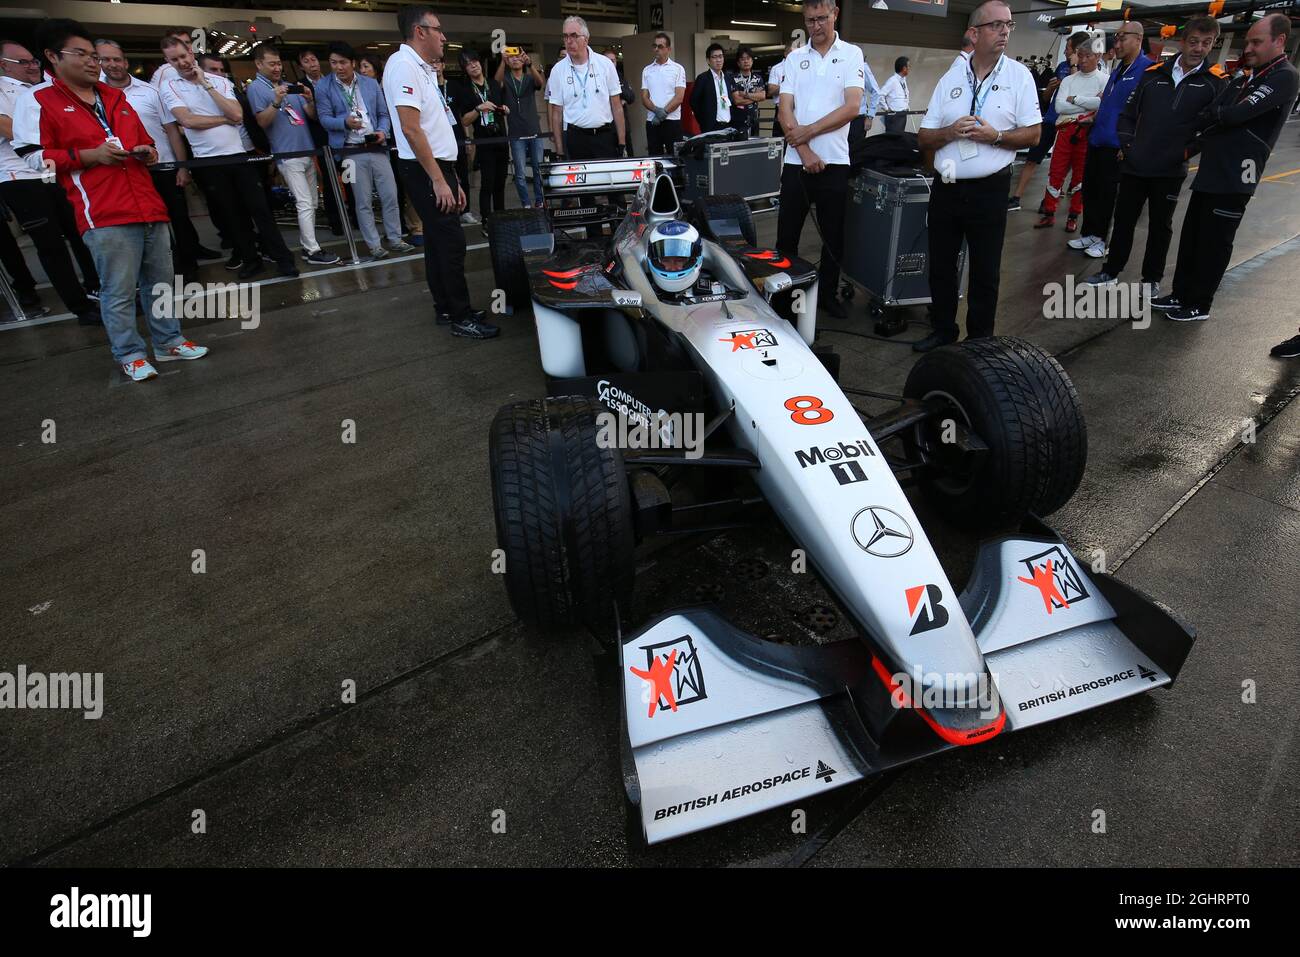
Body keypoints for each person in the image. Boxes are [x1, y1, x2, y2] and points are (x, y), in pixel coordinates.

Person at [14, 18, 208, 381]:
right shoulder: (38, 99)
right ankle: (130, 353)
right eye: (83, 54)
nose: (93, 62)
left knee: (161, 283)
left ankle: (168, 341)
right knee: (118, 290)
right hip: (103, 212)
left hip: (147, 202)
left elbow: (146, 141)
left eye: (95, 56)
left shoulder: (115, 97)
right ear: (53, 56)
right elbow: (34, 159)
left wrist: (146, 152)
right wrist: (89, 156)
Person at [915, 0, 1041, 352]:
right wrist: (951, 132)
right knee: (940, 263)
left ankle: (980, 341)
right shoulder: (951, 78)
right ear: (974, 33)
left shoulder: (1019, 76)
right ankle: (942, 329)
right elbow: (924, 137)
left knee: (986, 270)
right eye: (995, 25)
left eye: (1009, 25)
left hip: (990, 187)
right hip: (949, 183)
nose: (1004, 31)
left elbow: (1033, 134)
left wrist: (996, 137)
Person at [1157, 13, 1299, 324]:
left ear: (1280, 41)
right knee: (1193, 236)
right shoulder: (1248, 76)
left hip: (1237, 175)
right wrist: (1222, 113)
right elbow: (1211, 113)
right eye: (1248, 41)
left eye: (1256, 42)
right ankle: (1181, 293)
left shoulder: (1285, 76)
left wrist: (1222, 114)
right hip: (1212, 168)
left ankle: (1199, 302)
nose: (1249, 47)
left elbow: (1233, 115)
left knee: (1214, 242)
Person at [1085, 17, 1226, 298]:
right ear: (1182, 42)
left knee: (1160, 228)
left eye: (1206, 43)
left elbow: (1213, 128)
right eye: (1194, 41)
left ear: (1212, 44)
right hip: (1135, 166)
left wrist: (1185, 153)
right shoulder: (1153, 74)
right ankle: (1111, 271)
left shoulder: (1215, 82)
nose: (1199, 48)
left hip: (1170, 171)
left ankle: (1151, 279)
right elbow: (1127, 115)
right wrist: (1129, 146)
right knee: (1123, 220)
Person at [384, 5, 496, 338]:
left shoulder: (422, 69)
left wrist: (453, 178)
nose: (443, 37)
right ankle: (461, 316)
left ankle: (447, 307)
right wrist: (437, 179)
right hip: (425, 169)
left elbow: (435, 127)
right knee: (450, 243)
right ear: (420, 31)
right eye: (438, 30)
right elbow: (411, 129)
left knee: (436, 242)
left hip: (438, 167)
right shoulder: (403, 66)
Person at [159, 34, 299, 280]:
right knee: (233, 215)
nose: (181, 62)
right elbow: (187, 120)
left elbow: (237, 113)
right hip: (208, 161)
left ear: (191, 53)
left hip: (238, 156)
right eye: (174, 59)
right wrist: (224, 119)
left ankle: (283, 258)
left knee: (261, 211)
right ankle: (251, 260)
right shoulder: (168, 87)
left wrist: (206, 84)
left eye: (183, 56)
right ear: (167, 61)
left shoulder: (218, 81)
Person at [95, 39, 217, 279]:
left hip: (164, 166)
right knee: (144, 225)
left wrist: (182, 168)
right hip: (126, 170)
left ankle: (189, 266)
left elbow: (171, 130)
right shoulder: (95, 97)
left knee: (178, 217)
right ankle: (158, 270)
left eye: (117, 59)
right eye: (105, 60)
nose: (112, 65)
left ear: (126, 62)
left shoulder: (150, 91)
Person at [775, 0, 865, 321]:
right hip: (797, 163)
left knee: (832, 237)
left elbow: (852, 106)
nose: (816, 27)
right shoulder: (795, 58)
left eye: (822, 19)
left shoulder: (852, 54)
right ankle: (784, 296)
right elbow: (785, 108)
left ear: (835, 15)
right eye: (810, 20)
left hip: (836, 162)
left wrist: (809, 132)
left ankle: (826, 294)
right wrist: (805, 150)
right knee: (786, 235)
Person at [0, 38, 100, 323]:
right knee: (51, 245)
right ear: (3, 65)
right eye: (24, 62)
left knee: (82, 233)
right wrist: (49, 132)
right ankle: (80, 307)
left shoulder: (46, 87)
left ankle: (97, 289)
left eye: (34, 61)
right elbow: (8, 128)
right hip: (21, 177)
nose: (32, 66)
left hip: (54, 171)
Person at [317, 41, 413, 259]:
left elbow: (384, 114)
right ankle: (374, 245)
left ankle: (395, 238)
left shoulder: (370, 84)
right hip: (350, 150)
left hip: (377, 147)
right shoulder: (324, 86)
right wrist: (344, 122)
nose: (338, 67)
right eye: (333, 63)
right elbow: (324, 119)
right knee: (362, 201)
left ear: (353, 63)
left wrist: (382, 131)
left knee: (390, 195)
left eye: (343, 62)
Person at [247, 44, 340, 266]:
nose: (277, 68)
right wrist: (276, 101)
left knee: (312, 202)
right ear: (259, 65)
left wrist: (309, 99)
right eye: (272, 64)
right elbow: (262, 121)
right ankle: (311, 249)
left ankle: (311, 245)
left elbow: (312, 116)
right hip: (287, 155)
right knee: (305, 203)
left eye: (278, 63)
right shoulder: (256, 89)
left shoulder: (290, 86)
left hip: (307, 151)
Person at [1069, 21, 1151, 259]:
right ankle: (1090, 233)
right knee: (1091, 189)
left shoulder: (1146, 70)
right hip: (1097, 139)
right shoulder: (1117, 70)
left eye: (1123, 38)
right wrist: (1094, 118)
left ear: (1138, 38)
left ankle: (1103, 239)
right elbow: (1109, 103)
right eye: (1116, 38)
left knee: (1108, 194)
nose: (1118, 43)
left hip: (1117, 145)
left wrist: (1130, 143)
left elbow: (1143, 112)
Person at [547, 15, 626, 238]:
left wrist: (621, 142)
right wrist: (560, 151)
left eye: (574, 35)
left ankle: (620, 238)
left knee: (615, 190)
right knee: (586, 193)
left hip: (604, 135)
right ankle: (593, 240)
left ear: (586, 38)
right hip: (576, 137)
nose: (569, 41)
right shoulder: (558, 70)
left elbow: (616, 106)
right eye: (565, 36)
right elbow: (556, 112)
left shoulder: (604, 65)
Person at [1034, 32, 1105, 232]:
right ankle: (1048, 212)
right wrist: (1087, 103)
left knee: (1080, 177)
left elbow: (1101, 104)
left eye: (1087, 56)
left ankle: (1073, 215)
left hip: (1087, 133)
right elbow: (1059, 107)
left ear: (1098, 56)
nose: (1082, 60)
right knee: (1055, 172)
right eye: (1080, 55)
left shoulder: (1104, 80)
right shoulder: (1068, 80)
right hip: (1064, 131)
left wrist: (1074, 99)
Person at [1010, 49, 1071, 212]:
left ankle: (1051, 199)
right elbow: (1045, 98)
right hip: (1051, 120)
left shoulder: (1085, 72)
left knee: (1060, 164)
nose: (1066, 51)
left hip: (1068, 123)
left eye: (1070, 48)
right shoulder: (1061, 67)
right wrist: (1051, 88)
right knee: (1032, 157)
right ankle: (1016, 197)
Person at [297, 48, 349, 236]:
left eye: (314, 59)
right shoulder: (301, 86)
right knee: (329, 181)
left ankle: (354, 217)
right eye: (306, 61)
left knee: (349, 177)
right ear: (301, 66)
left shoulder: (334, 81)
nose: (312, 64)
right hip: (321, 141)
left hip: (343, 138)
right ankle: (336, 222)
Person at [452, 50, 508, 221]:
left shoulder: (494, 84)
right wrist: (479, 108)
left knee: (500, 183)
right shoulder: (466, 90)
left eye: (475, 61)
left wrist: (505, 109)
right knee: (488, 184)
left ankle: (501, 218)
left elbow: (502, 105)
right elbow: (465, 120)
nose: (473, 65)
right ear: (465, 69)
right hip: (484, 142)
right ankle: (486, 220)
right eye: (468, 64)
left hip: (502, 139)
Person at [495, 46, 546, 207]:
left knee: (538, 170)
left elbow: (540, 83)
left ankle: (539, 201)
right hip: (516, 132)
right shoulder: (506, 78)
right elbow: (496, 82)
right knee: (521, 173)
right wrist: (502, 61)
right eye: (511, 57)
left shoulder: (529, 78)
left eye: (518, 56)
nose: (515, 59)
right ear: (507, 61)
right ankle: (526, 204)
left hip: (534, 130)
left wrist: (530, 64)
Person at [640, 32, 686, 157]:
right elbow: (644, 97)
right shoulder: (647, 70)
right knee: (654, 158)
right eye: (654, 46)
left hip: (672, 121)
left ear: (669, 49)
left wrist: (662, 114)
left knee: (676, 158)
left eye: (660, 47)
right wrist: (655, 110)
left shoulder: (678, 69)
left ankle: (677, 178)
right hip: (652, 121)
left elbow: (679, 97)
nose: (656, 49)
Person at [690, 43, 737, 135]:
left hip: (728, 125)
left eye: (720, 56)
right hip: (711, 126)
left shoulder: (728, 78)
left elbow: (731, 100)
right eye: (714, 57)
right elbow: (693, 101)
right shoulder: (703, 78)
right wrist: (704, 121)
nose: (718, 60)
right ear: (708, 60)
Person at [730, 47, 765, 138]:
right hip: (737, 120)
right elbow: (737, 100)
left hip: (754, 118)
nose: (746, 61)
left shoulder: (758, 78)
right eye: (742, 59)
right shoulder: (732, 78)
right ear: (738, 63)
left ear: (752, 61)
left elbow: (763, 96)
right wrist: (755, 97)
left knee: (754, 146)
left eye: (748, 58)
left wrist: (745, 95)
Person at [603, 48, 636, 139]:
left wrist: (617, 86)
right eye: (607, 61)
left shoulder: (620, 76)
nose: (611, 64)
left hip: (623, 125)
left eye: (613, 61)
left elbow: (631, 97)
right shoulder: (597, 78)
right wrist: (618, 100)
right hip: (606, 127)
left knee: (628, 152)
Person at [765, 41, 796, 138]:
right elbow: (771, 90)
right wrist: (788, 85)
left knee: (798, 139)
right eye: (793, 52)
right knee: (780, 141)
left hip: (800, 109)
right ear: (786, 54)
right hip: (782, 108)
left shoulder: (803, 68)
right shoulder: (777, 68)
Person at [878, 56, 910, 133]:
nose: (909, 68)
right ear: (904, 68)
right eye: (908, 66)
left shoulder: (903, 80)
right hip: (894, 115)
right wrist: (886, 109)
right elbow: (880, 95)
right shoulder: (892, 80)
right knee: (893, 140)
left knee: (900, 139)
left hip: (902, 114)